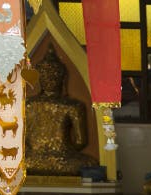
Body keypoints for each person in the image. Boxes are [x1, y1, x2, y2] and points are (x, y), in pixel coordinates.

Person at [25, 45, 98, 176]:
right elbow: (80, 142)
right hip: (64, 161)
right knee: (89, 163)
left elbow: (20, 139)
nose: (50, 79)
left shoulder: (26, 104)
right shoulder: (73, 106)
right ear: (63, 79)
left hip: (31, 160)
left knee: (13, 162)